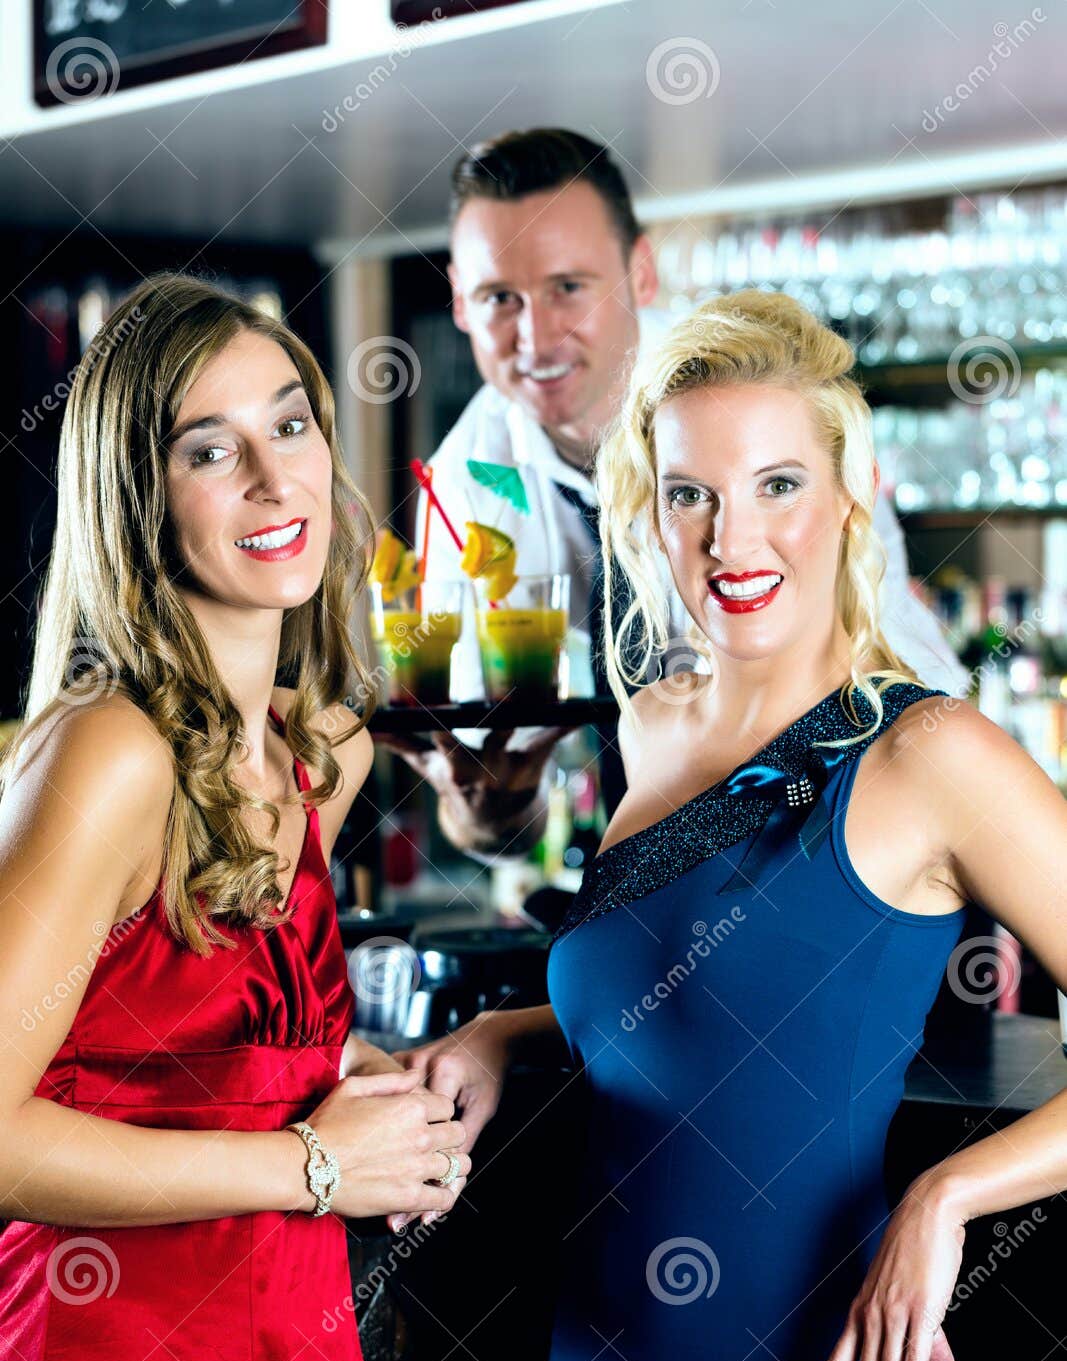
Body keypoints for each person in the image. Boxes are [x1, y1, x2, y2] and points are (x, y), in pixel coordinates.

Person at [394, 291, 1067, 1361]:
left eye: (774, 483)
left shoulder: (930, 755)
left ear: (849, 492)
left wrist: (948, 1195)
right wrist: (500, 1030)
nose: (732, 535)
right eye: (691, 493)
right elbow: (676, 1011)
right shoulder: (646, 730)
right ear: (647, 509)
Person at [0, 275, 471, 1361]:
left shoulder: (303, 748)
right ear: (138, 499)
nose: (276, 481)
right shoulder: (107, 753)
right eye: (211, 450)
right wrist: (315, 1159)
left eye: (292, 425)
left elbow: (183, 1041)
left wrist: (351, 1071)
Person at [376, 128, 968, 860]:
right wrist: (492, 808)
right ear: (461, 306)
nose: (535, 335)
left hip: (840, 845)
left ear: (640, 272)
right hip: (638, 886)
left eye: (567, 287)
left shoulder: (759, 411)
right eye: (499, 297)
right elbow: (493, 826)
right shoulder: (465, 487)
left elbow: (913, 683)